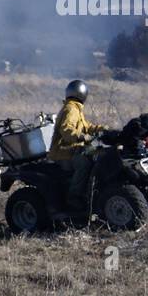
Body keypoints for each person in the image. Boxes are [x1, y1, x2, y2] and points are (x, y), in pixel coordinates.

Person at [47, 79, 114, 212]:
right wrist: (81, 136)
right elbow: (66, 128)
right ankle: (74, 198)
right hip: (63, 153)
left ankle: (93, 193)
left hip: (73, 150)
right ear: (83, 94)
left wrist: (100, 128)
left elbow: (86, 126)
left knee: (98, 155)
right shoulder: (71, 108)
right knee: (84, 165)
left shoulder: (76, 108)